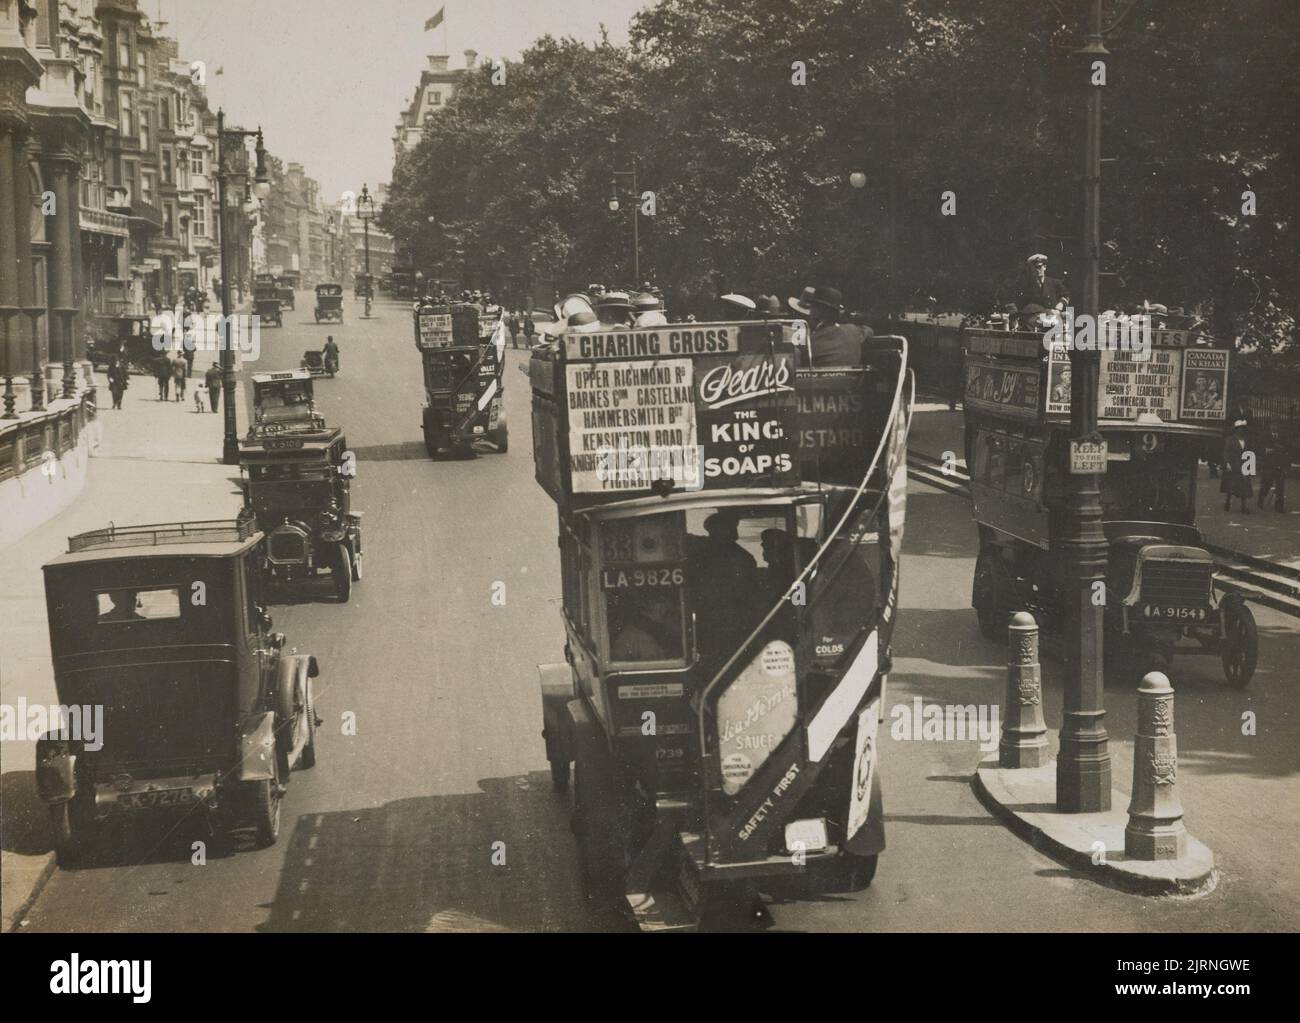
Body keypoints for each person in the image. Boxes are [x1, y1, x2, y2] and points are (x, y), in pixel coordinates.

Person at [790, 285, 871, 367]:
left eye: (812, 307)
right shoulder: (854, 331)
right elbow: (868, 330)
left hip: (816, 379)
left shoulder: (808, 343)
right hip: (850, 379)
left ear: (817, 311)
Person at [611, 590, 680, 662]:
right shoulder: (631, 637)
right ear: (651, 605)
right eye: (663, 602)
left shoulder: (664, 631)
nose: (667, 607)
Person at [1221, 419, 1253, 514]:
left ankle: (1244, 506)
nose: (1241, 430)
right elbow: (1226, 452)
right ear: (1236, 429)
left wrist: (1250, 465)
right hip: (1234, 465)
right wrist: (1227, 463)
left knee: (1244, 486)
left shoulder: (1247, 440)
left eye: (1243, 429)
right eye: (1239, 429)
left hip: (1244, 465)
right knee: (1231, 486)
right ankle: (1227, 502)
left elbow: (1250, 452)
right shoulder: (1230, 440)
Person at [1257, 425, 1288, 512]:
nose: (1274, 427)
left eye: (1277, 424)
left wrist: (1285, 467)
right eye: (1273, 424)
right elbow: (1259, 448)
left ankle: (1279, 508)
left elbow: (1287, 452)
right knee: (1266, 485)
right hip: (1268, 465)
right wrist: (1265, 450)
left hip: (1280, 465)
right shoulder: (1265, 436)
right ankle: (1260, 502)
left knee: (1280, 487)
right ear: (1270, 426)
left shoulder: (1283, 437)